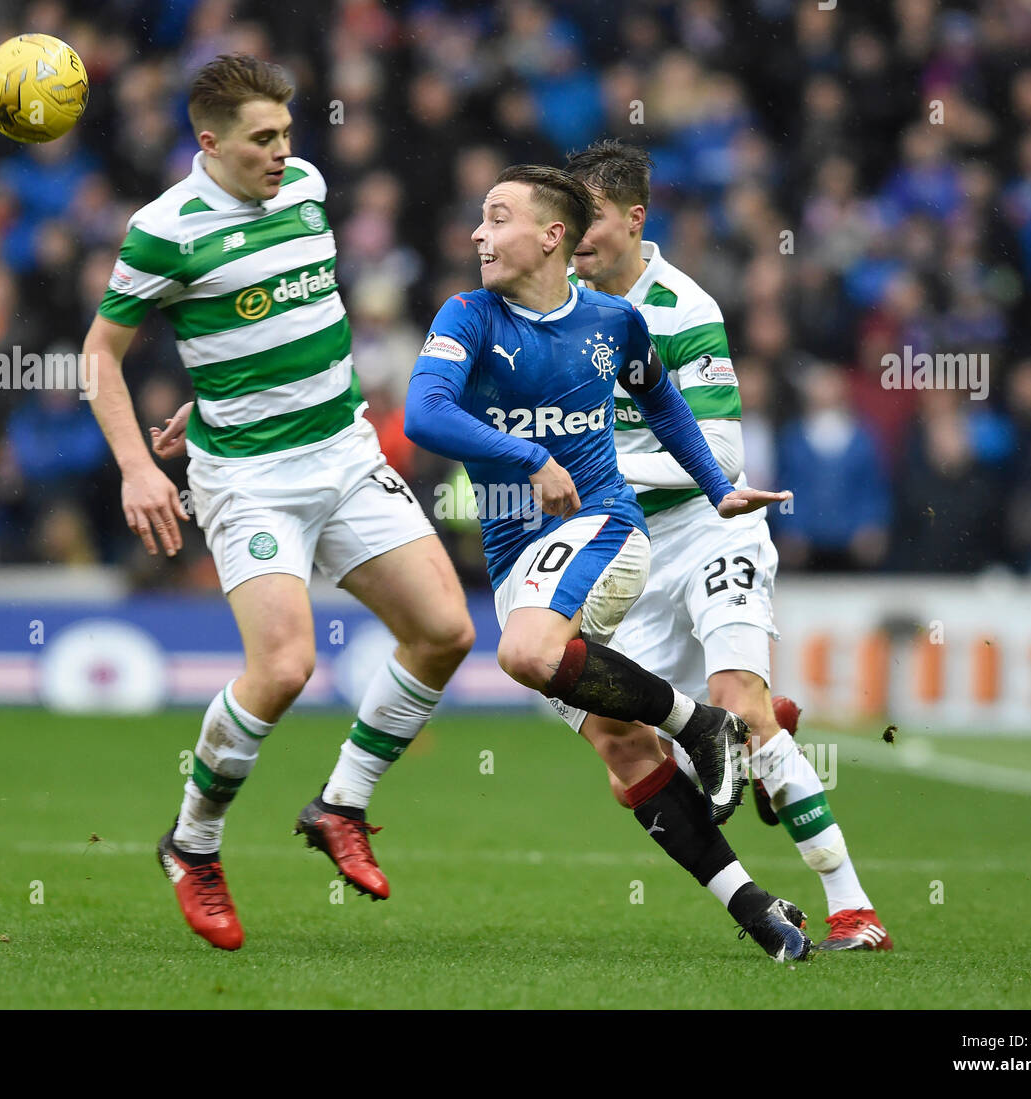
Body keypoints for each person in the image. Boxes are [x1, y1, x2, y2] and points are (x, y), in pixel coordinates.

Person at [83, 55, 475, 951]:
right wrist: (137, 468)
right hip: (251, 480)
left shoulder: (305, 187)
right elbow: (97, 355)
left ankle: (341, 802)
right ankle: (193, 843)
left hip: (344, 452)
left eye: (288, 134)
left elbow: (282, 318)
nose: (283, 152)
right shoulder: (163, 231)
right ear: (208, 142)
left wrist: (219, 388)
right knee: (286, 665)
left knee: (447, 629)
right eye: (262, 138)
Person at [404, 163, 812, 961]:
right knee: (623, 749)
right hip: (515, 550)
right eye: (479, 219)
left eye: (496, 217)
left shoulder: (612, 321)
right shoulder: (468, 317)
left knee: (524, 654)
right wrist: (525, 456)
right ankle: (755, 904)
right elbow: (424, 412)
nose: (477, 234)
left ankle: (700, 725)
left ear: (551, 236)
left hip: (602, 522)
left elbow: (661, 399)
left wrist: (716, 485)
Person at [568, 139, 892, 952]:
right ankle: (747, 744)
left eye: (591, 217)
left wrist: (587, 463)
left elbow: (725, 453)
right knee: (632, 768)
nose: (573, 235)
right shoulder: (556, 308)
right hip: (625, 551)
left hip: (711, 526)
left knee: (742, 706)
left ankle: (853, 908)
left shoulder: (685, 307)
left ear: (635, 219)